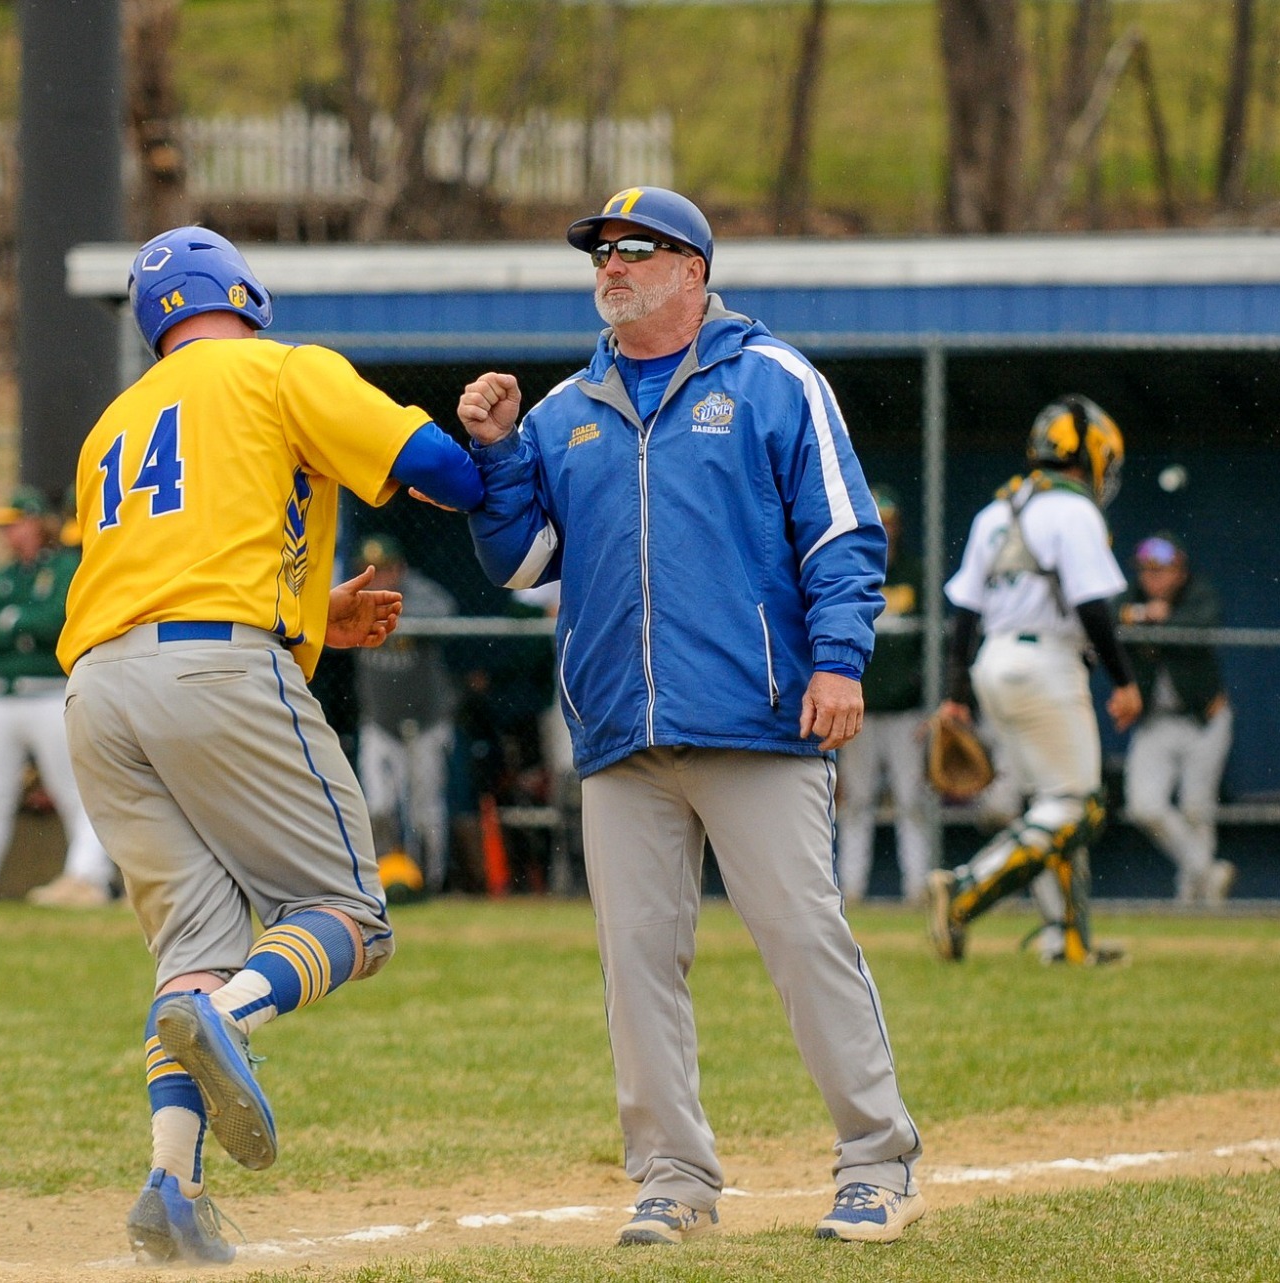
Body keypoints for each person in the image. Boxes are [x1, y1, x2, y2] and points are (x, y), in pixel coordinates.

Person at [458, 187, 924, 1247]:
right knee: (635, 968)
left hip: (756, 716)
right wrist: (493, 454)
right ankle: (672, 1176)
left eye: (633, 249)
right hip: (622, 732)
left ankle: (875, 1159)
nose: (608, 265)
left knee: (804, 940)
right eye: (598, 252)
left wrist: (839, 661)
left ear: (692, 268)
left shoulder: (772, 379)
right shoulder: (563, 411)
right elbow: (523, 562)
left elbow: (842, 534)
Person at [58, 226, 482, 1266]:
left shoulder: (115, 419)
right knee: (348, 912)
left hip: (99, 690)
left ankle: (170, 1186)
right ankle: (237, 1019)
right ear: (238, 290)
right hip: (213, 668)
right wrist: (487, 462)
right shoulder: (275, 365)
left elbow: (183, 554)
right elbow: (433, 467)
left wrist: (308, 615)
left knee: (188, 954)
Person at [927, 396, 1141, 966]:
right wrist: (1124, 681)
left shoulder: (998, 510)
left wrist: (954, 694)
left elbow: (963, 618)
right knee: (1080, 808)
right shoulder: (1074, 511)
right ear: (1089, 454)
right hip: (1045, 664)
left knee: (1050, 805)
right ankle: (965, 889)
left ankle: (1066, 941)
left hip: (992, 663)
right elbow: (1095, 608)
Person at [0, 486, 114, 906]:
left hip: (47, 693)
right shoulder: (5, 577)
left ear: (37, 524)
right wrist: (20, 628)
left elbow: (54, 622)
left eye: (16, 525)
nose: (8, 535)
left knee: (73, 790)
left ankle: (86, 876)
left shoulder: (63, 567)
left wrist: (17, 625)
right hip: (3, 695)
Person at [1119, 533, 1235, 904]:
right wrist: (1142, 615)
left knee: (1196, 810)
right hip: (1156, 722)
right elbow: (1107, 616)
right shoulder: (1131, 598)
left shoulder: (1199, 594)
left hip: (1205, 720)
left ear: (1180, 571)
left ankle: (1193, 900)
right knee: (1143, 807)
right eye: (1147, 571)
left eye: (1163, 570)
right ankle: (1207, 872)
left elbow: (1201, 626)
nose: (1153, 579)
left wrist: (1159, 623)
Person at [835, 484, 933, 903]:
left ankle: (918, 889)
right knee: (856, 801)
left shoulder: (915, 572)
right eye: (878, 522)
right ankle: (851, 889)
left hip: (908, 711)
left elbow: (934, 647)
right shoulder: (849, 569)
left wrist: (931, 703)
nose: (885, 531)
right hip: (861, 707)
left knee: (912, 800)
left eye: (890, 523)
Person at [351, 533, 460, 892]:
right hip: (379, 721)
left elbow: (447, 610)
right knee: (378, 804)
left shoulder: (419, 592)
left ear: (399, 568)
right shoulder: (350, 595)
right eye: (372, 571)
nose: (379, 578)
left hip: (427, 720)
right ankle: (382, 880)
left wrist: (396, 610)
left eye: (385, 570)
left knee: (425, 808)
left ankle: (430, 882)